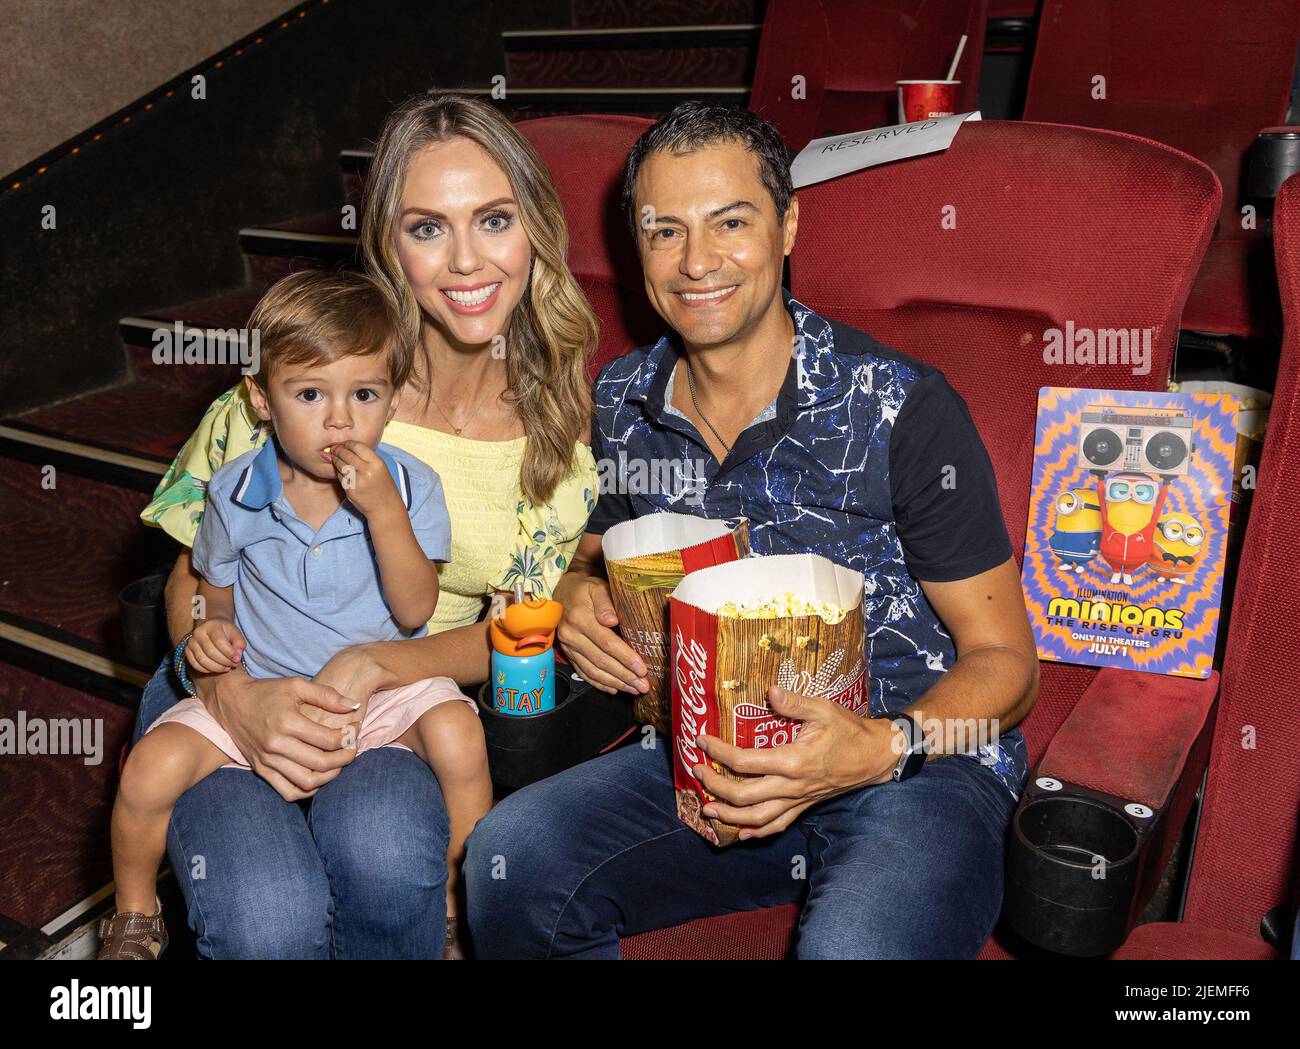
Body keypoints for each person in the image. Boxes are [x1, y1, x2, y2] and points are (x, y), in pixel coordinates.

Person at [465, 102, 1041, 960]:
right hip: (709, 761)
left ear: (788, 224)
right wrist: (576, 596)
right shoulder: (621, 406)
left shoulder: (901, 407)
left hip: (911, 768)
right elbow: (576, 560)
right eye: (665, 231)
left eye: (730, 221)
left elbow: (1009, 668)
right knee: (508, 862)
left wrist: (882, 747)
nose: (697, 261)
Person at [134, 92, 598, 958]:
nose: (466, 261)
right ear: (388, 245)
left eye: (494, 219)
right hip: (231, 676)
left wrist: (378, 662)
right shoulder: (308, 380)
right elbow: (191, 578)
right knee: (267, 918)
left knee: (387, 866)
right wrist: (233, 697)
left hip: (396, 702)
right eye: (427, 228)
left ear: (535, 229)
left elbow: (512, 632)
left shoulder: (557, 443)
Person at [103, 270, 487, 960]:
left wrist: (385, 515)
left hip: (379, 693)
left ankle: (461, 902)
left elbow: (415, 608)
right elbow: (210, 587)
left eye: (363, 395)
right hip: (262, 687)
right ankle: (134, 915)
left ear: (392, 401)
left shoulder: (408, 487)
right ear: (261, 397)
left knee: (460, 736)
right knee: (148, 769)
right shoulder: (235, 490)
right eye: (309, 394)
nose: (338, 420)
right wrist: (213, 636)